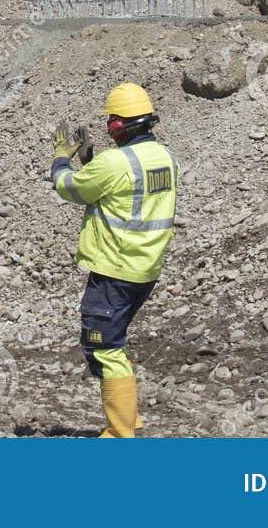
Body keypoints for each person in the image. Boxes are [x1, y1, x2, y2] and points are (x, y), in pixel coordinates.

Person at [50, 82, 178, 438]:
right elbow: (124, 191)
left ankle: (121, 436)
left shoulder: (115, 162)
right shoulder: (166, 157)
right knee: (113, 341)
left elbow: (71, 188)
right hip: (145, 268)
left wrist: (62, 158)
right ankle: (128, 424)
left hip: (114, 270)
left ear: (119, 126)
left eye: (112, 122)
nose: (109, 128)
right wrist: (94, 164)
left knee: (103, 346)